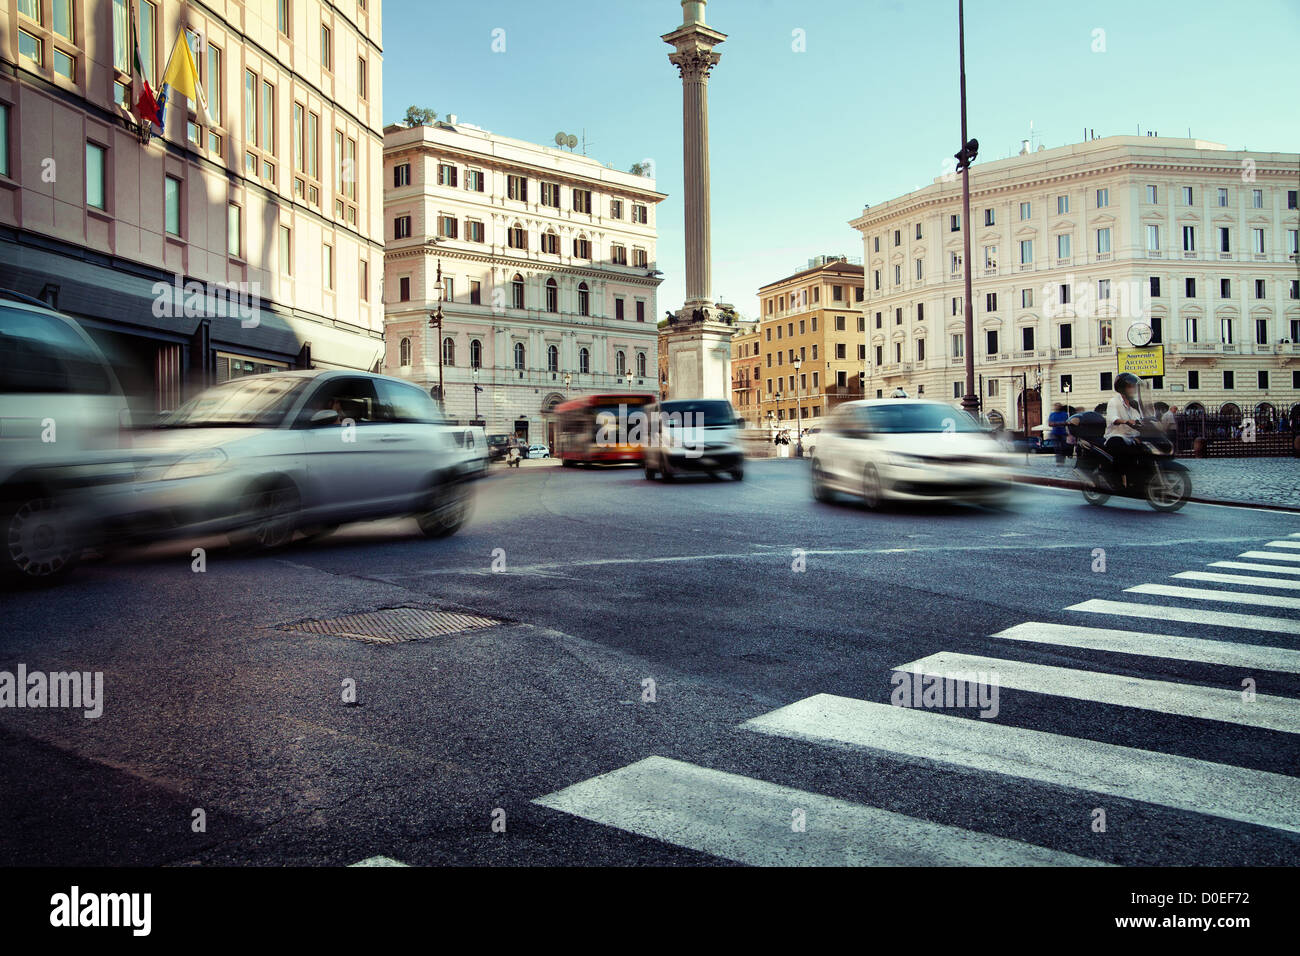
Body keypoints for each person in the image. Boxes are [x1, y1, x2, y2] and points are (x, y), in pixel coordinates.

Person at [1104, 372, 1144, 482]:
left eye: (1134, 387)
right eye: (1131, 387)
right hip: (1116, 436)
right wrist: (1126, 421)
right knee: (1120, 447)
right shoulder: (1114, 402)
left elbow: (1140, 419)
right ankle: (1119, 478)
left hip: (1131, 438)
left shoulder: (1134, 404)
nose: (1134, 389)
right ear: (1122, 388)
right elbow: (1113, 418)